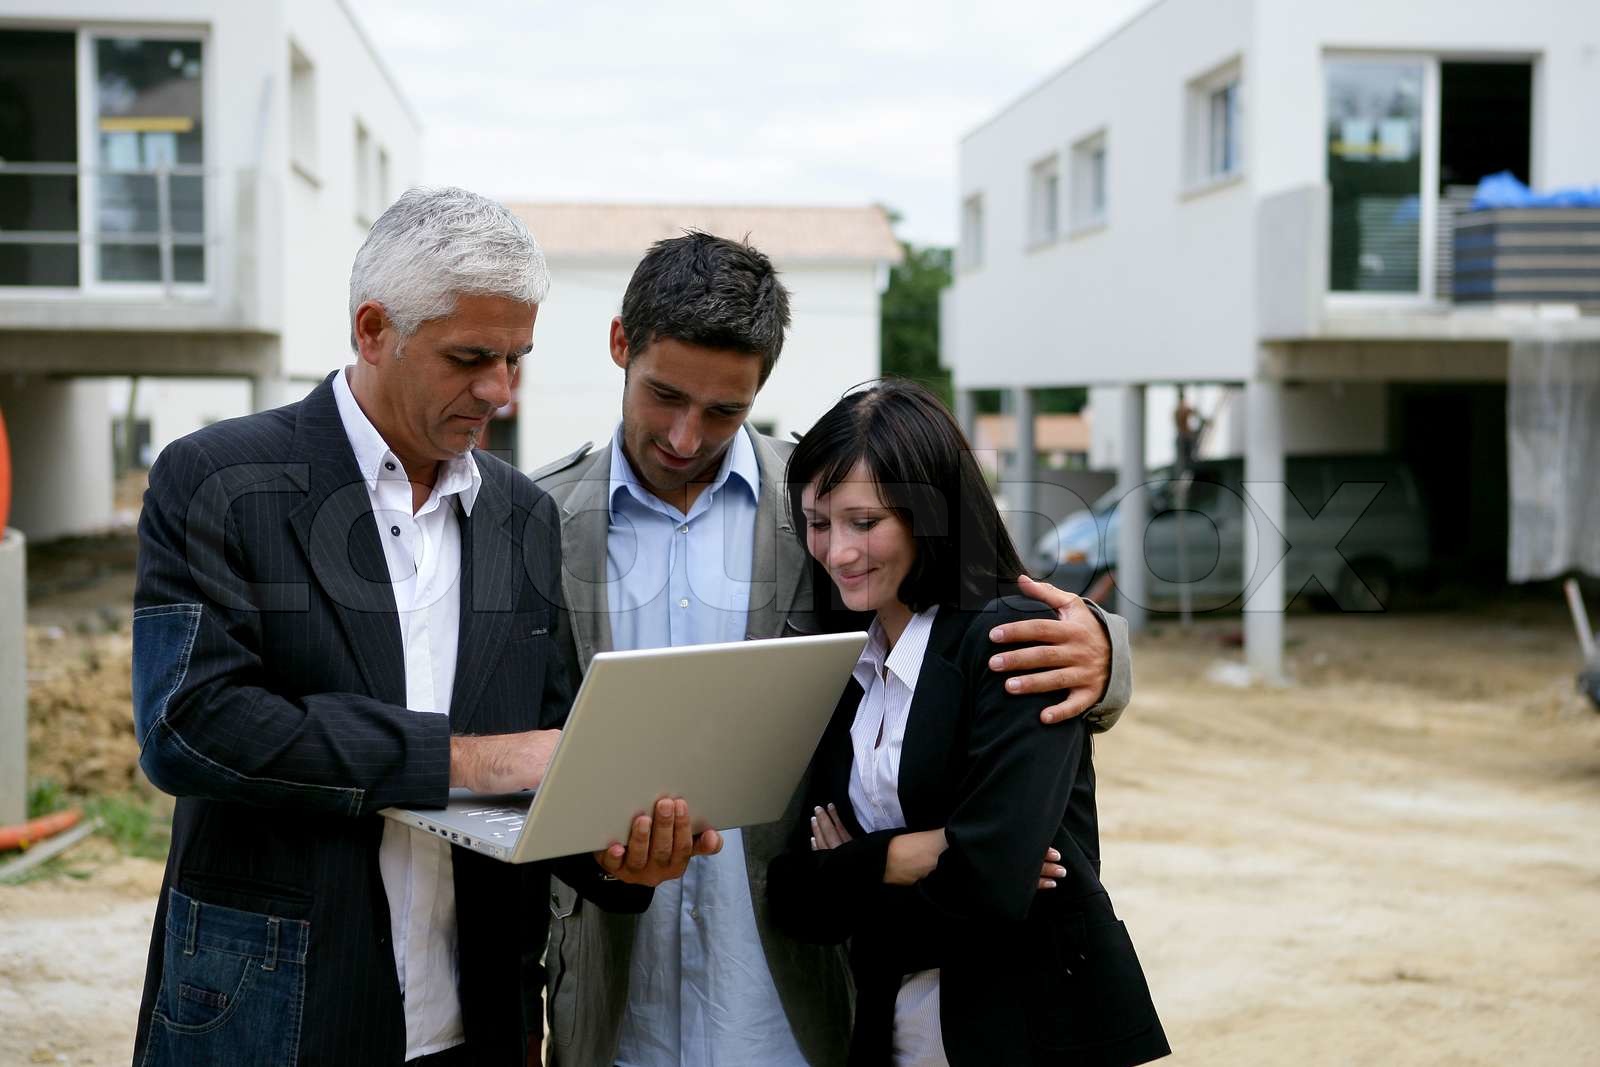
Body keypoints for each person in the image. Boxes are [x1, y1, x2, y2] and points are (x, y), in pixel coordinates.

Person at [129, 187, 714, 1067]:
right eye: (471, 358)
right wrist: (465, 759)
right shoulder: (217, 477)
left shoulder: (522, 514)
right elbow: (190, 726)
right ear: (373, 330)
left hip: (476, 1015)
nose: (500, 392)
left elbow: (545, 748)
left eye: (516, 357)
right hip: (276, 1013)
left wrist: (613, 854)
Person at [535, 233, 1136, 1066]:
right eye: (664, 394)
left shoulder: (820, 498)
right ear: (618, 347)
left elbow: (981, 599)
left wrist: (1107, 655)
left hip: (799, 995)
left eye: (724, 410)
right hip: (618, 984)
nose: (684, 434)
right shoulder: (531, 516)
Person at [767, 379, 1170, 1066]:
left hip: (1031, 1029)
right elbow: (793, 898)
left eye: (865, 522)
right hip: (896, 1036)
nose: (837, 551)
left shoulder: (1016, 641)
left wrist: (854, 868)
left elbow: (991, 890)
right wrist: (908, 857)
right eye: (819, 521)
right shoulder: (845, 662)